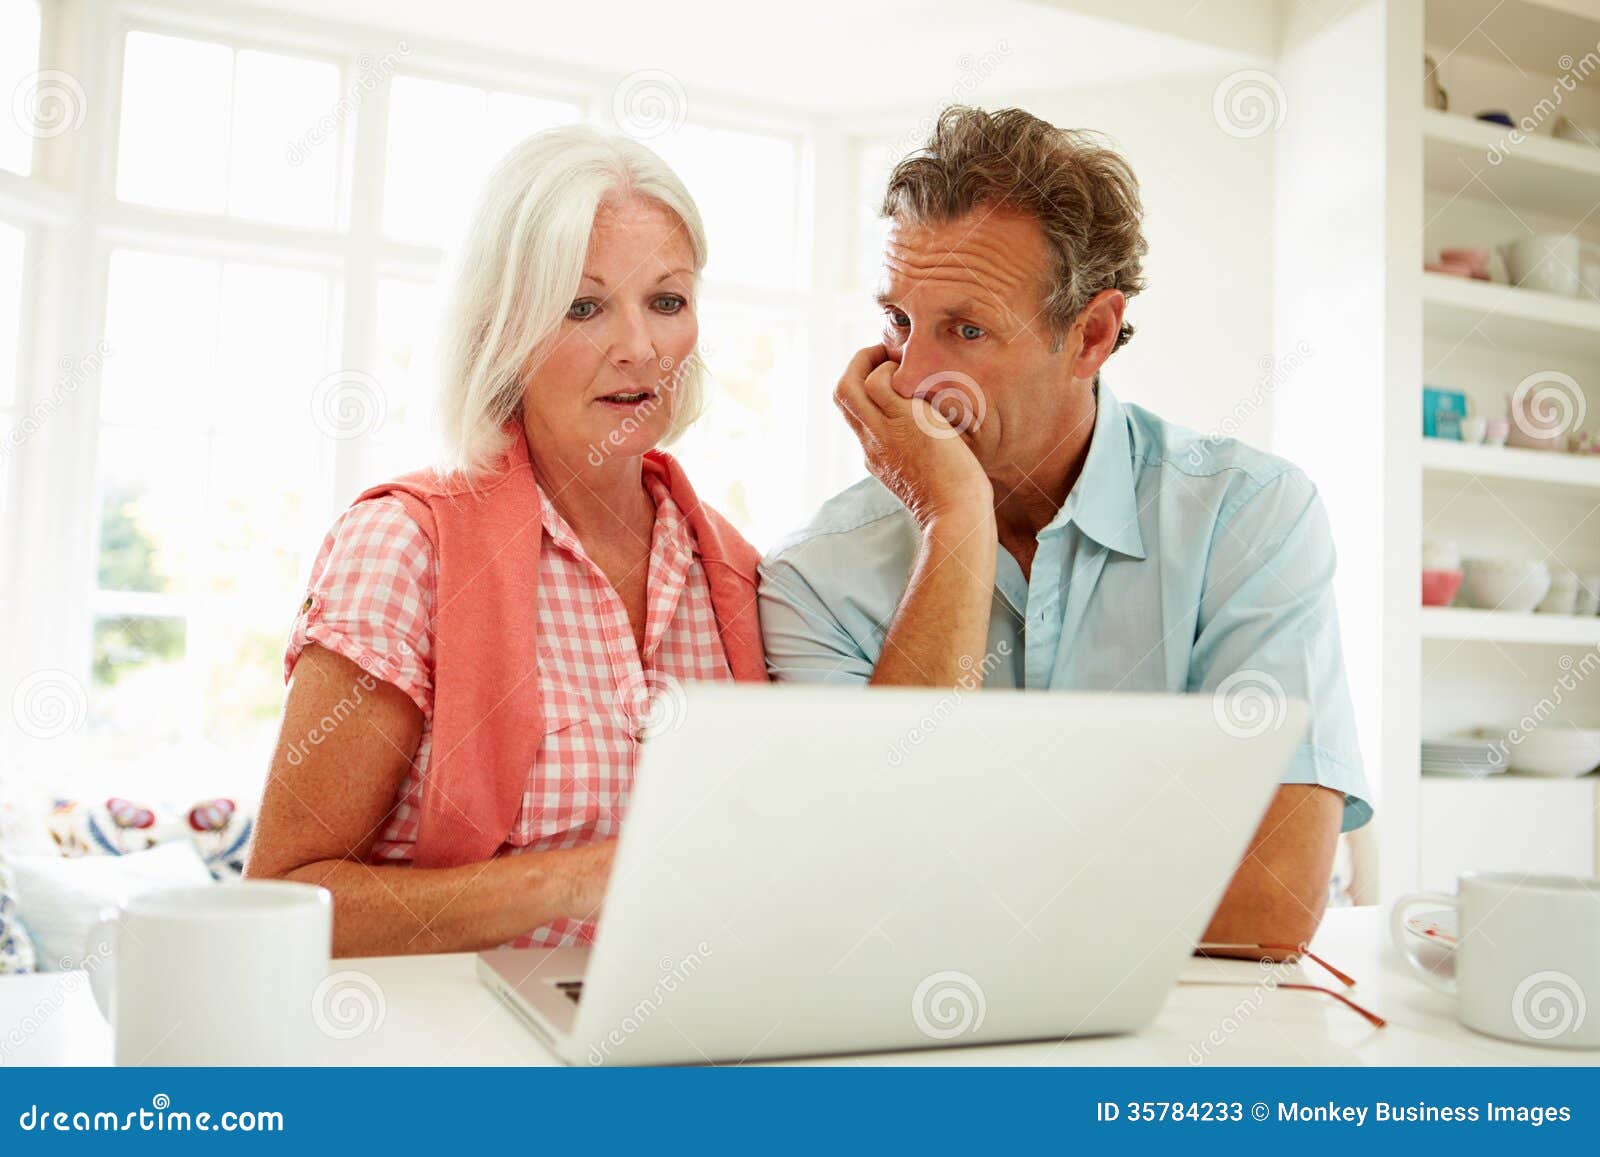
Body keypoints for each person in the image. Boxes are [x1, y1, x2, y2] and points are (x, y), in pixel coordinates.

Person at [759, 106, 1370, 953]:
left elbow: (1266, 911)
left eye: (966, 329)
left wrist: (975, 896)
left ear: (1090, 334)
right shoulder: (813, 573)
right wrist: (954, 520)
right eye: (898, 321)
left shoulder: (1249, 516)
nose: (912, 376)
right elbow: (867, 894)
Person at [248, 126, 766, 956]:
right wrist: (578, 878)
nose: (639, 348)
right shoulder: (406, 549)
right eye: (583, 306)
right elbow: (283, 900)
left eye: (667, 301)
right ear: (503, 328)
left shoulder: (731, 570)